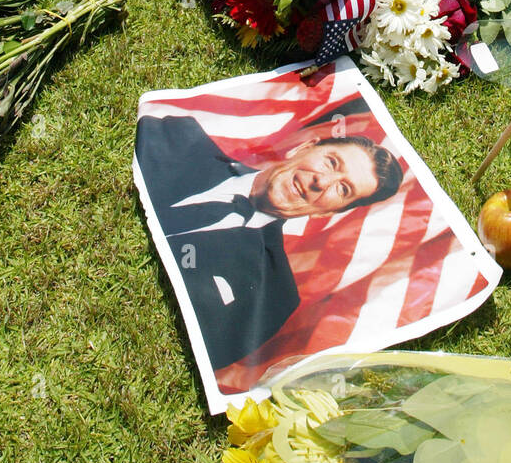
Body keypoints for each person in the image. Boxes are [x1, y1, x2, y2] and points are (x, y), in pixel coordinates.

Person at [135, 113, 404, 371]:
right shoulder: (178, 135)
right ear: (302, 148)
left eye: (342, 189)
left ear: (330, 212)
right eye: (331, 163)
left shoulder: (274, 298)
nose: (321, 181)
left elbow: (178, 355)